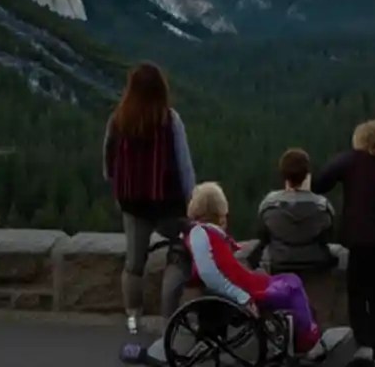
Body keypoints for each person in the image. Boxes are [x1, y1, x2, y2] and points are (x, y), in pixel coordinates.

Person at [103, 63, 196, 336]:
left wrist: (122, 187)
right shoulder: (170, 120)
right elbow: (184, 166)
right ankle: (171, 318)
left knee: (134, 264)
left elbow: (108, 165)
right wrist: (192, 204)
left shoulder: (118, 120)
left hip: (133, 203)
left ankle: (133, 319)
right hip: (169, 204)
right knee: (178, 258)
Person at [313, 121, 375, 367]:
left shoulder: (351, 161)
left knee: (357, 291)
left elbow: (319, 183)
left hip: (360, 239)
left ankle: (365, 344)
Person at [185, 182, 325, 357]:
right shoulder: (201, 234)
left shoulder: (206, 233)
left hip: (245, 283)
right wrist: (242, 297)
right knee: (292, 287)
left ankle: (301, 335)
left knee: (291, 280)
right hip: (244, 290)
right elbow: (208, 274)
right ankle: (306, 341)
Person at [247, 148, 338, 274]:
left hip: (279, 262)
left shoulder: (269, 203)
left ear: (283, 174)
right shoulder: (322, 206)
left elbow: (263, 236)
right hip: (315, 262)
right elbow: (328, 237)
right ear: (307, 174)